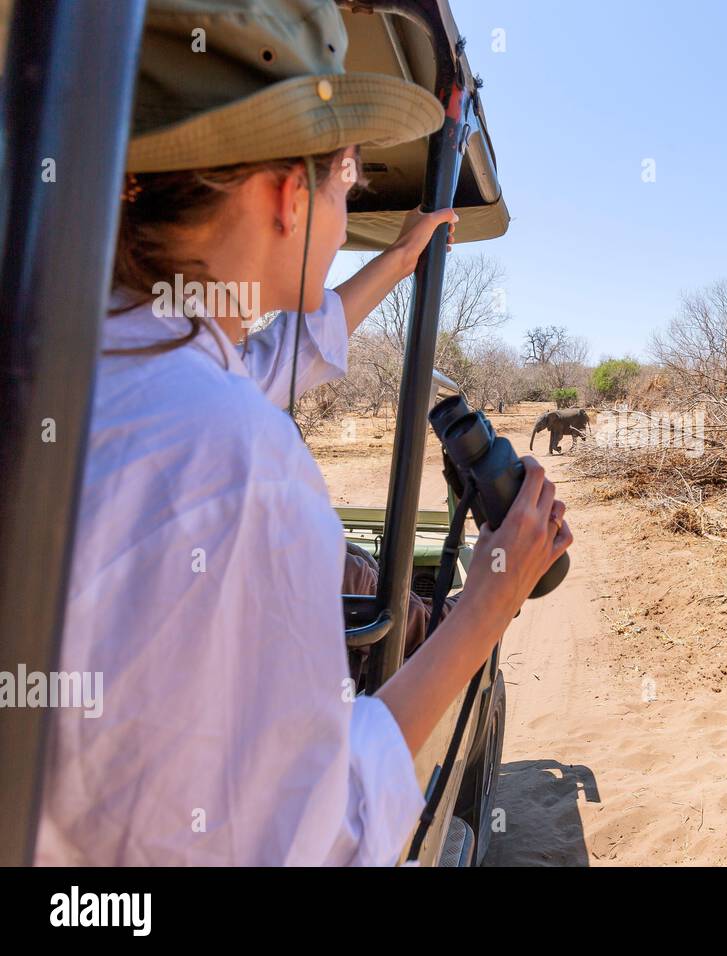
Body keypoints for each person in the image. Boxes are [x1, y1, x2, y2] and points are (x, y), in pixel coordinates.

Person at [36, 0, 571, 866]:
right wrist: (486, 607)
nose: (346, 193)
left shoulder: (75, 360)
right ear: (291, 195)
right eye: (344, 178)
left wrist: (395, 260)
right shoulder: (237, 456)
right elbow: (328, 830)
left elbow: (277, 352)